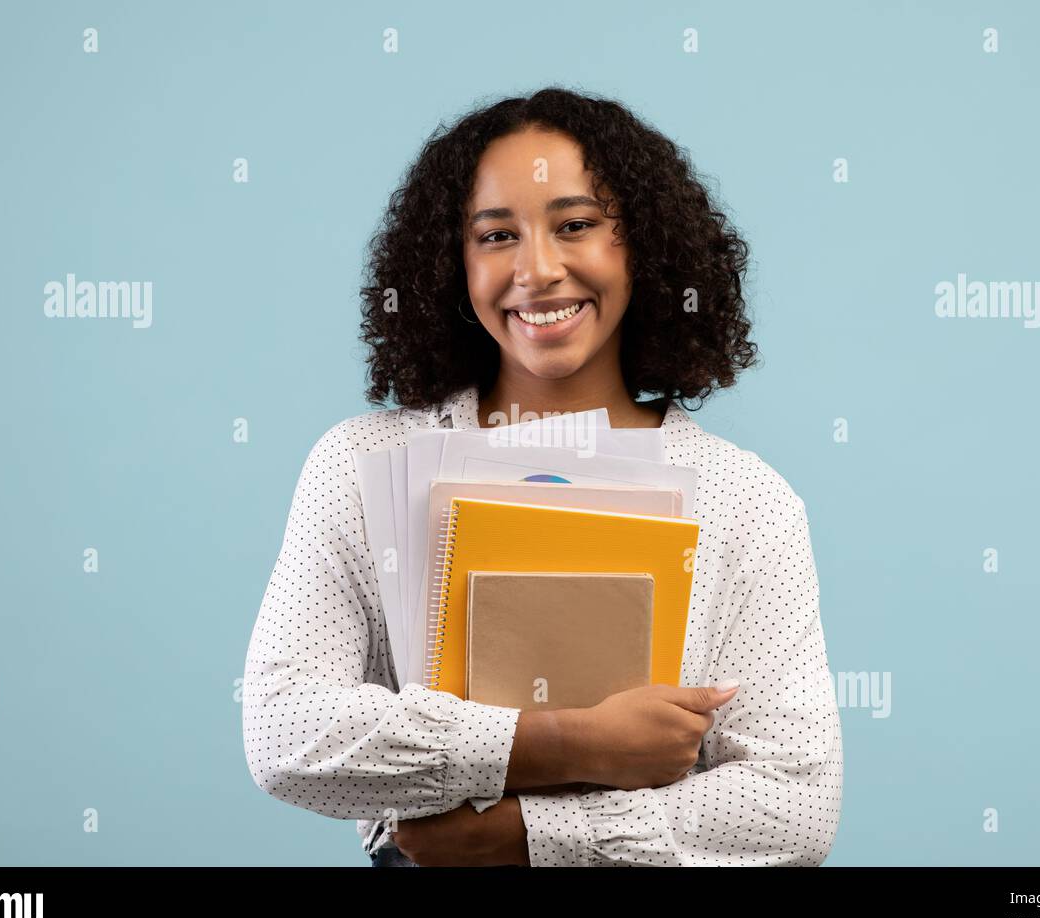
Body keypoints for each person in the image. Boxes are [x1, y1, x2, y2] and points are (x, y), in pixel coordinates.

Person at [241, 87, 843, 867]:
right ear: (450, 266)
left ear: (643, 247)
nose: (538, 270)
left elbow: (796, 805)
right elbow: (285, 733)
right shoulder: (362, 467)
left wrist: (525, 835)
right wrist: (571, 742)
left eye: (576, 225)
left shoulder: (747, 500)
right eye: (496, 235)